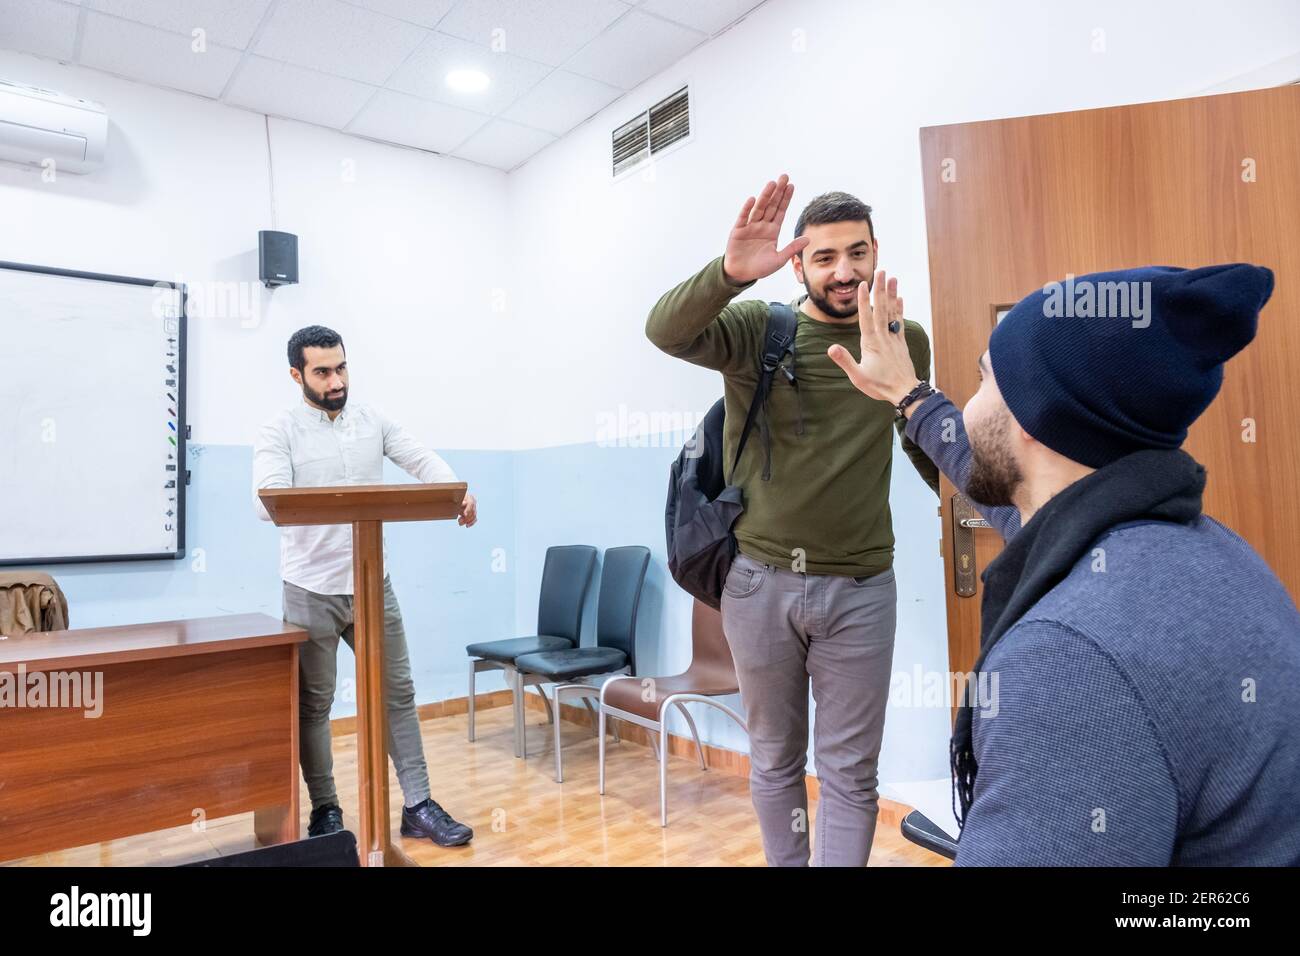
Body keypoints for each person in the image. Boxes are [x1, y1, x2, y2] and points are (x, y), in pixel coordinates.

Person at [829, 263, 1300, 864]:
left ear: (1032, 419)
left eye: (983, 382)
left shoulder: (1070, 658)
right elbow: (1015, 505)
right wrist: (910, 396)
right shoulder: (1199, 547)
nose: (969, 410)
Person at [646, 175, 939, 866]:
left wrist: (978, 494)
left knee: (849, 771)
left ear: (876, 254)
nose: (845, 271)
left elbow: (918, 436)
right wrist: (727, 276)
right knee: (776, 762)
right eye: (826, 256)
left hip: (863, 587)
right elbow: (664, 330)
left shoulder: (904, 336)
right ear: (800, 262)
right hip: (759, 584)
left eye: (857, 253)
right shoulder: (758, 331)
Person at [253, 325, 477, 847]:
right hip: (310, 588)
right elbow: (265, 502)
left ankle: (418, 805)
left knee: (398, 693)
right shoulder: (278, 430)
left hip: (373, 583)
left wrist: (454, 490)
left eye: (342, 368)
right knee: (315, 704)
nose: (336, 381)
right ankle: (326, 810)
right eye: (323, 371)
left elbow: (421, 459)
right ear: (297, 375)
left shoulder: (372, 420)